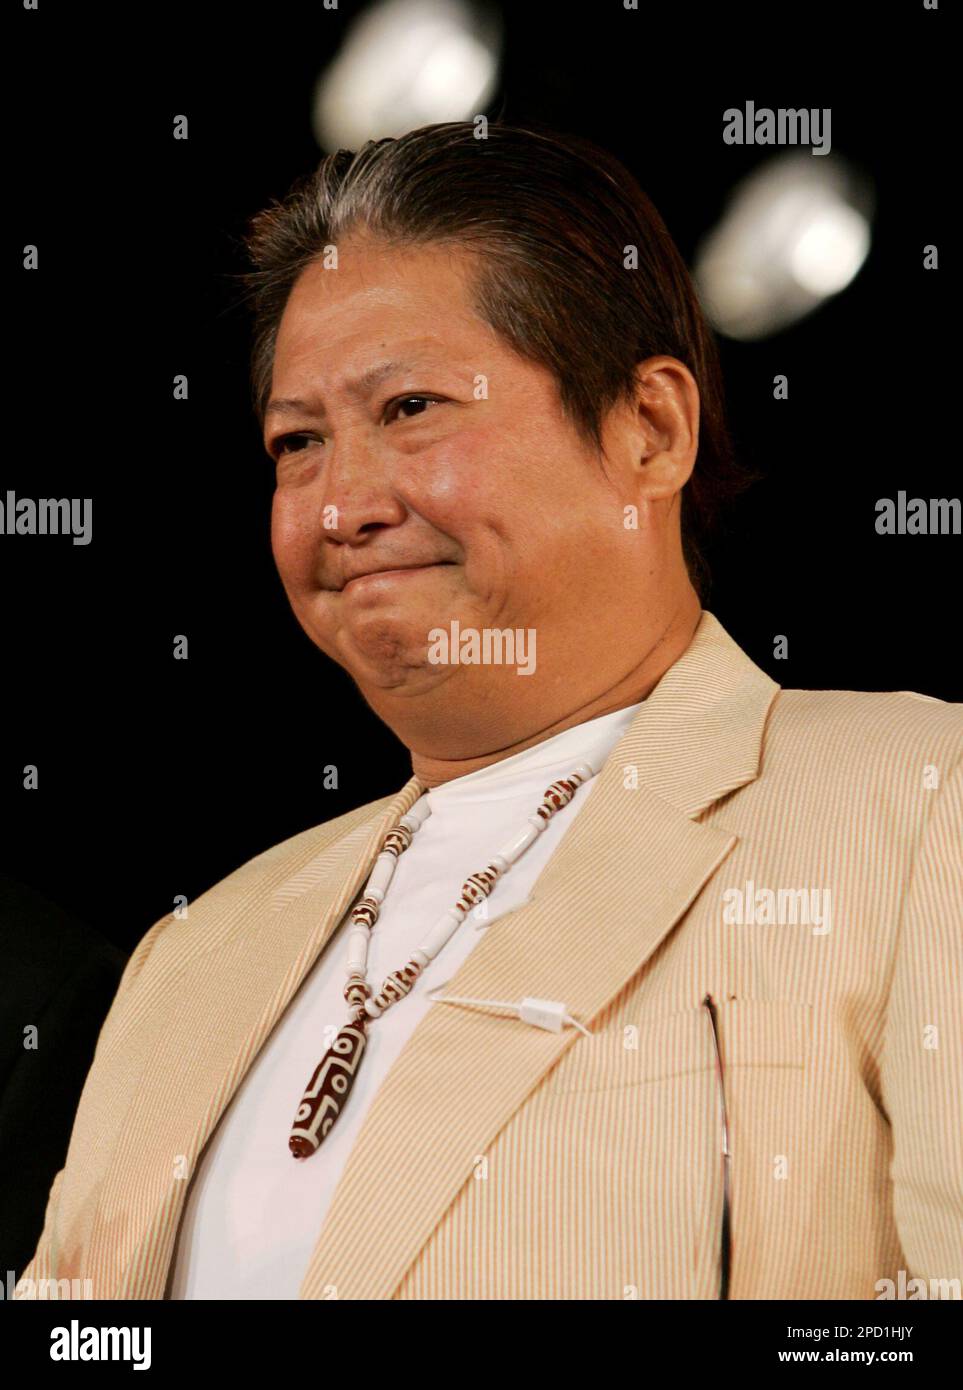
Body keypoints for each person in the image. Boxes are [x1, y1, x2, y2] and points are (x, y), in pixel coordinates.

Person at [16, 122, 962, 1301]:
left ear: (647, 430)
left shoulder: (920, 803)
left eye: (410, 407)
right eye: (298, 441)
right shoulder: (193, 953)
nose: (340, 505)